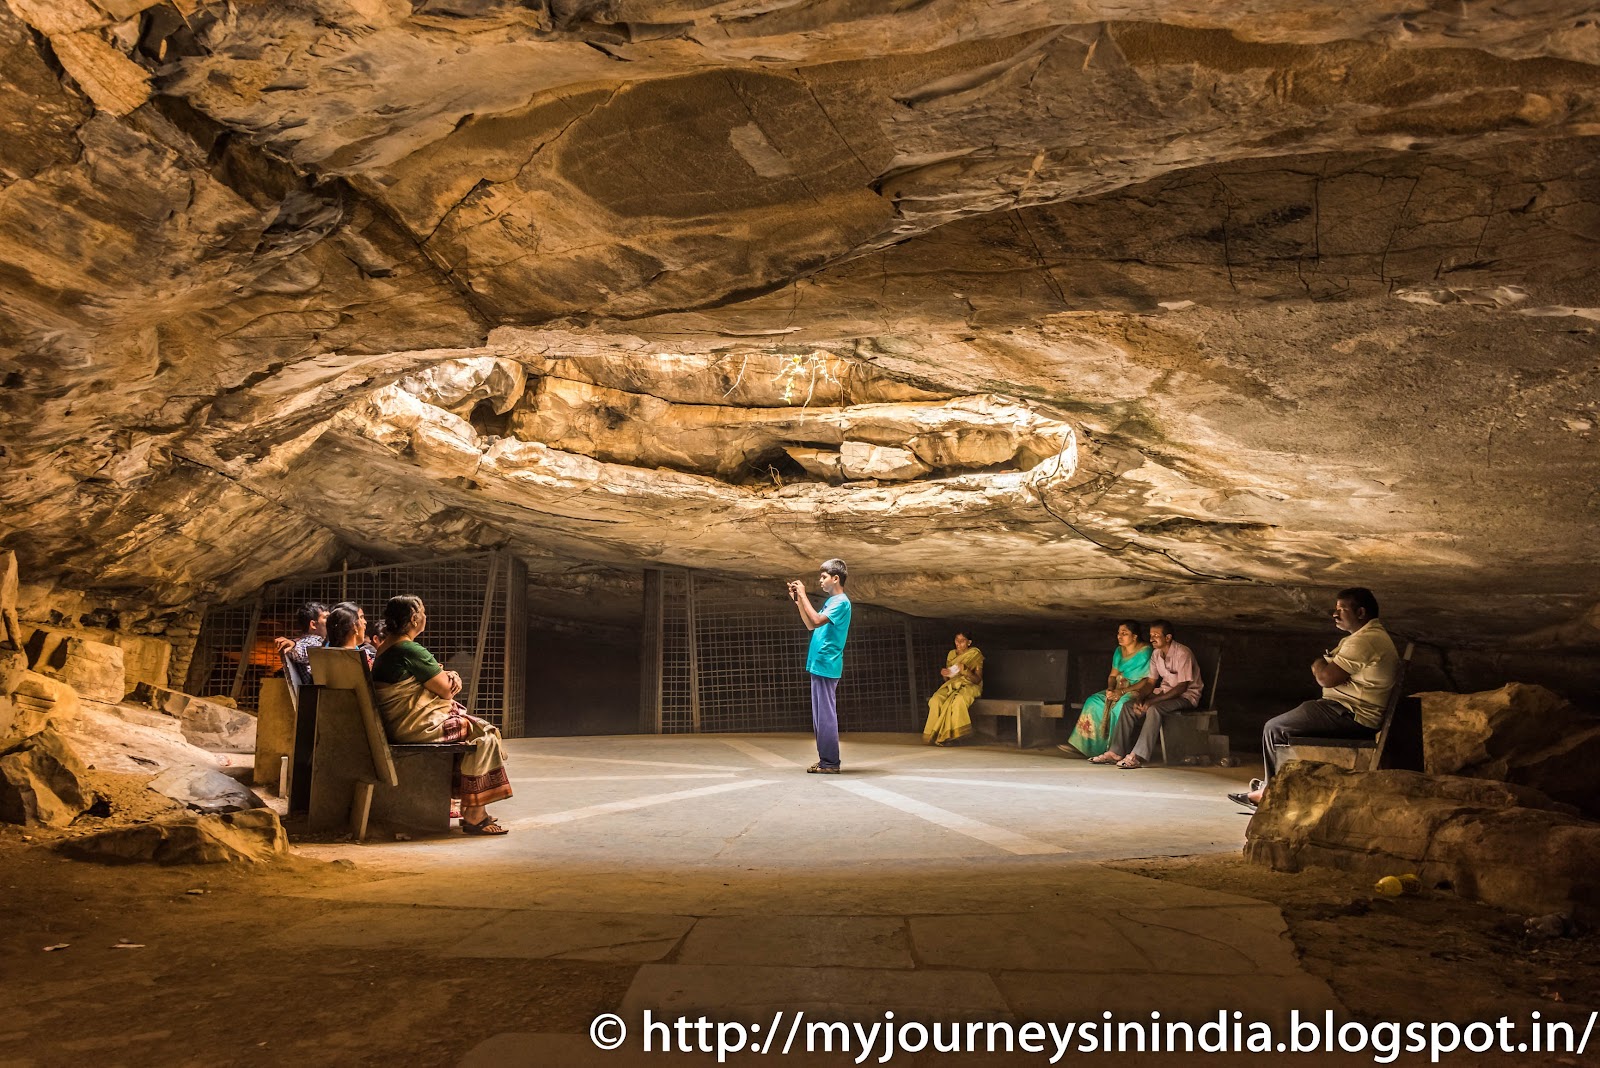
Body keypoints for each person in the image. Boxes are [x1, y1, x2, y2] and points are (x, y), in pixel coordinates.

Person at [1228, 588, 1399, 810]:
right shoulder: (1367, 636)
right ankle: (1274, 783)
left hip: (1350, 715)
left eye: (1342, 609)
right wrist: (1326, 668)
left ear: (1360, 612)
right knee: (1296, 716)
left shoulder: (1366, 641)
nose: (1335, 614)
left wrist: (1319, 663)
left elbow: (1325, 678)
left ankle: (1269, 795)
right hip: (1347, 710)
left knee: (1275, 728)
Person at [372, 594, 514, 835]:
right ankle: (474, 814)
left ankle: (469, 806)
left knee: (477, 729)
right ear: (414, 618)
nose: (425, 617)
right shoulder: (409, 649)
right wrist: (452, 677)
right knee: (485, 735)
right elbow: (446, 690)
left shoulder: (386, 647)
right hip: (416, 727)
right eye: (423, 612)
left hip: (399, 724)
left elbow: (431, 680)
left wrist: (447, 676)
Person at [1091, 619, 1204, 768]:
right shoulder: (1156, 654)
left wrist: (1152, 701)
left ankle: (1138, 756)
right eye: (1151, 635)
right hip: (1165, 693)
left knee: (1154, 709)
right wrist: (1140, 698)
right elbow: (1150, 683)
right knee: (1129, 706)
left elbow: (1182, 687)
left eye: (1156, 635)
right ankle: (1115, 752)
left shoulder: (1183, 653)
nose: (1151, 639)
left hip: (1186, 697)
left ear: (1168, 637)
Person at [787, 559, 852, 774]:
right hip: (819, 664)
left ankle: (830, 763)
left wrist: (804, 594)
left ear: (836, 578)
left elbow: (815, 620)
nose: (820, 581)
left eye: (824, 577)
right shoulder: (832, 601)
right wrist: (799, 602)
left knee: (825, 716)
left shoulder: (841, 602)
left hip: (826, 664)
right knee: (819, 717)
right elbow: (810, 624)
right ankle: (826, 760)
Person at [1059, 620, 1152, 759]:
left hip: (1137, 690)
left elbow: (1147, 681)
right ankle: (1084, 746)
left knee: (1120, 706)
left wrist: (1122, 692)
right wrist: (1110, 689)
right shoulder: (1119, 651)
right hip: (1118, 687)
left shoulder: (1146, 651)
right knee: (1093, 701)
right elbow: (1113, 675)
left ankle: (1114, 750)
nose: (1119, 636)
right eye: (1119, 633)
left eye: (1124, 633)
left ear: (1134, 636)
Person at [922, 630, 984, 746]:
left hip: (970, 685)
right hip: (952, 685)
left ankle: (954, 737)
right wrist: (945, 674)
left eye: (962, 641)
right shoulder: (951, 654)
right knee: (935, 700)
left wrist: (965, 670)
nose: (958, 643)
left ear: (969, 642)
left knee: (957, 701)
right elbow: (949, 678)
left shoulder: (975, 654)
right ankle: (934, 735)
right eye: (957, 640)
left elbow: (977, 680)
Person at [317, 602, 376, 673]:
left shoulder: (321, 656)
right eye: (361, 617)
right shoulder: (356, 658)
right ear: (354, 626)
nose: (365, 622)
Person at [274, 601, 328, 667]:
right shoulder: (314, 641)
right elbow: (306, 650)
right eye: (327, 618)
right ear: (313, 625)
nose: (331, 621)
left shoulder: (307, 641)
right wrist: (294, 646)